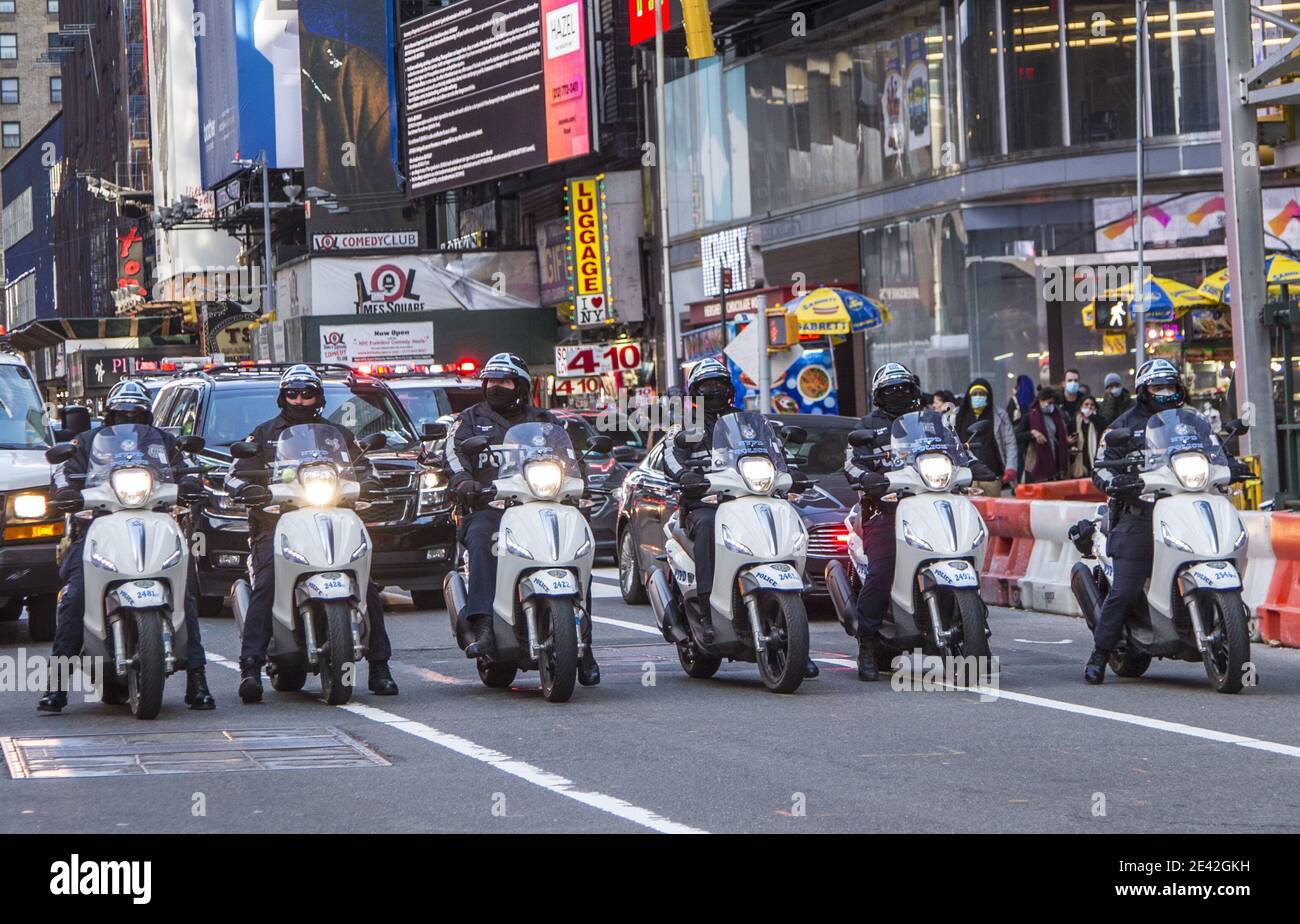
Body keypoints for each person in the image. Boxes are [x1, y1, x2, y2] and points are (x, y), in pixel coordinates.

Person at [38, 380, 215, 713]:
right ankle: (56, 685)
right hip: (95, 528)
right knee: (75, 596)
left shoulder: (165, 442)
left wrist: (192, 483)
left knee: (185, 595)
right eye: (121, 415)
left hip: (156, 522)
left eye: (135, 414)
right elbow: (63, 471)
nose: (128, 420)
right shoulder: (87, 442)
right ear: (109, 417)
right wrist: (64, 491)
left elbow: (187, 469)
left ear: (148, 417)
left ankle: (197, 679)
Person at [224, 365, 399, 702]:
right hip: (277, 521)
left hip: (332, 516)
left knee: (368, 587)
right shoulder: (263, 434)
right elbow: (235, 473)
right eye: (292, 393)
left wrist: (371, 483)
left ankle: (380, 666)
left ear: (319, 397)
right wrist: (246, 489)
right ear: (282, 396)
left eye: (307, 393)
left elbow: (364, 467)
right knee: (268, 581)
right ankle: (250, 668)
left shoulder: (338, 436)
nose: (300, 399)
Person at [1085, 359, 1253, 684]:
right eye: (1157, 387)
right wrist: (1116, 482)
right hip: (1140, 511)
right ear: (1143, 390)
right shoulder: (1124, 424)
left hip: (1187, 503)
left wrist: (1235, 466)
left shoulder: (1195, 422)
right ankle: (1099, 654)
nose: (1165, 392)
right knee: (1125, 586)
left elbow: (1218, 452)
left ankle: (1218, 621)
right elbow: (1101, 465)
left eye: (1170, 386)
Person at [447, 353, 601, 686]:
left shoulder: (545, 420)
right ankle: (485, 624)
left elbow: (569, 457)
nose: (493, 387)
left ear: (520, 386)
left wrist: (582, 481)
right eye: (489, 381)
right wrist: (463, 481)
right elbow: (453, 452)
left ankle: (584, 644)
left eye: (502, 381)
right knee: (483, 538)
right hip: (491, 505)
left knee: (577, 547)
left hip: (543, 501)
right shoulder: (470, 419)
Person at [664, 358, 820, 679]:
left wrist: (789, 471)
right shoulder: (686, 423)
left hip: (749, 497)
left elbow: (774, 449)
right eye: (707, 387)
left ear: (730, 389)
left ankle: (795, 642)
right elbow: (668, 452)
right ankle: (708, 611)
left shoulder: (747, 422)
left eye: (719, 386)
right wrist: (684, 475)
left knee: (784, 515)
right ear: (695, 392)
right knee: (708, 527)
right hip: (705, 502)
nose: (714, 391)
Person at [840, 362, 924, 682]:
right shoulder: (867, 426)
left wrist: (974, 466)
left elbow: (955, 451)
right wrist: (871, 479)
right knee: (882, 568)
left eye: (904, 388)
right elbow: (851, 465)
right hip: (883, 507)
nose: (899, 395)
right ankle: (868, 642)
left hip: (924, 504)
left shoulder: (926, 423)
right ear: (878, 395)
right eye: (891, 391)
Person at [953, 378, 1018, 497]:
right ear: (969, 396)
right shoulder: (957, 416)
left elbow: (1010, 443)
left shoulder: (999, 415)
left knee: (992, 512)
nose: (978, 396)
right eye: (975, 394)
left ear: (988, 396)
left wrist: (1011, 468)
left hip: (992, 476)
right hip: (966, 477)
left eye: (982, 394)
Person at [1024, 387, 1071, 483]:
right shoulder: (1030, 416)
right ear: (1040, 400)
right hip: (1036, 463)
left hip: (1055, 463)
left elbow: (1059, 437)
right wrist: (1032, 433)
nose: (1048, 405)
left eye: (1051, 403)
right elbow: (1017, 435)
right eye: (1046, 402)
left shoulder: (1057, 416)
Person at [1071, 394, 1103, 478]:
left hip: (1094, 457)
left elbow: (1102, 429)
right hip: (1080, 457)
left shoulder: (1099, 419)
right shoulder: (1075, 420)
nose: (1089, 407)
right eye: (1086, 404)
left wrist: (1092, 417)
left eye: (1092, 405)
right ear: (1081, 406)